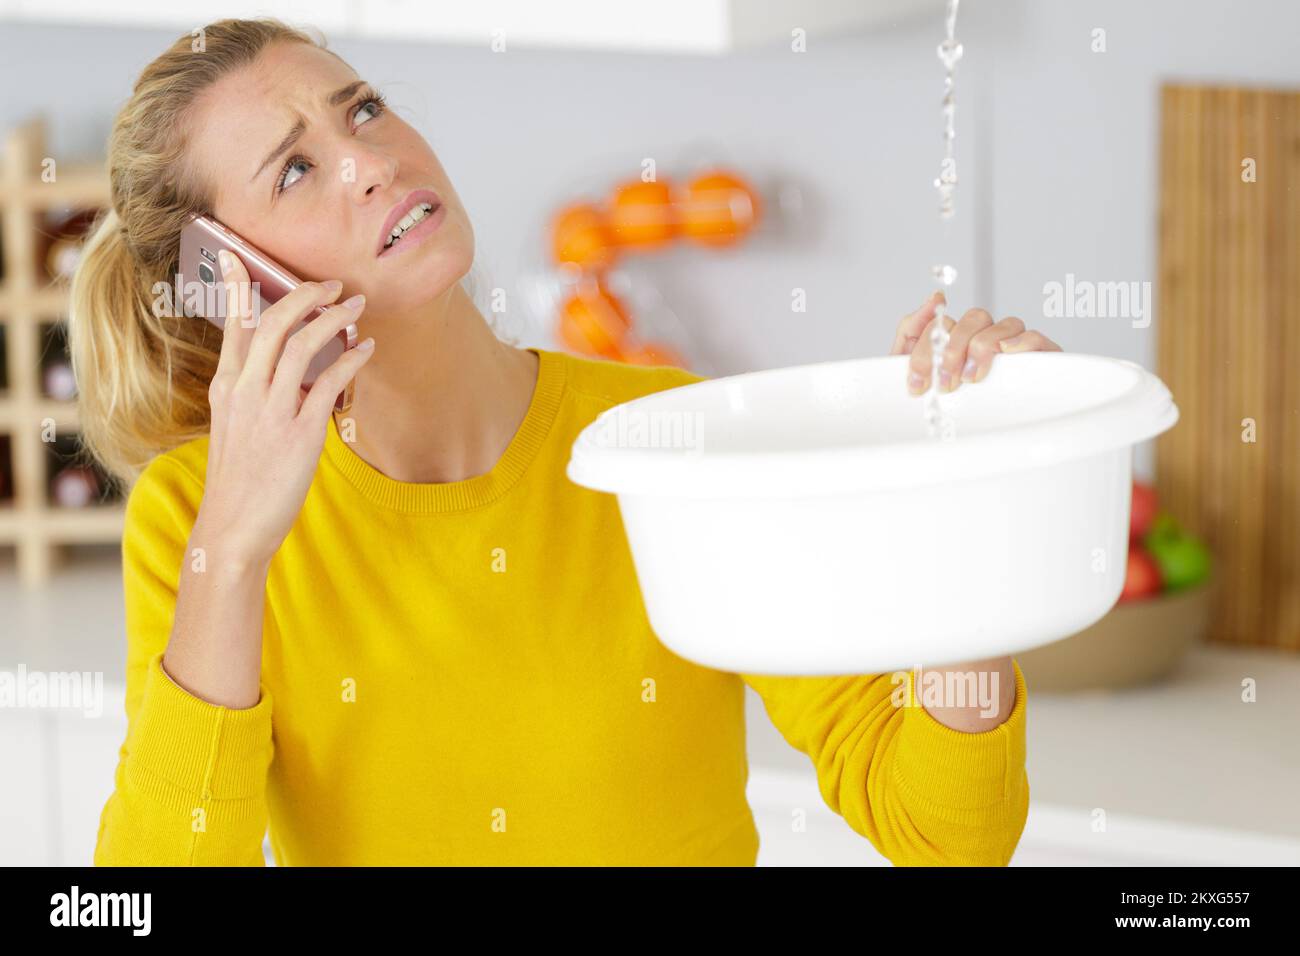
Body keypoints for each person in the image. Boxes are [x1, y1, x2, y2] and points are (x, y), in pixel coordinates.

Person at [70, 17, 1058, 867]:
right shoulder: (196, 526)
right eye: (295, 168)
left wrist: (963, 515)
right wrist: (235, 552)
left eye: (362, 108)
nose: (373, 161)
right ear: (230, 280)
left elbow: (949, 834)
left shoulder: (672, 440)